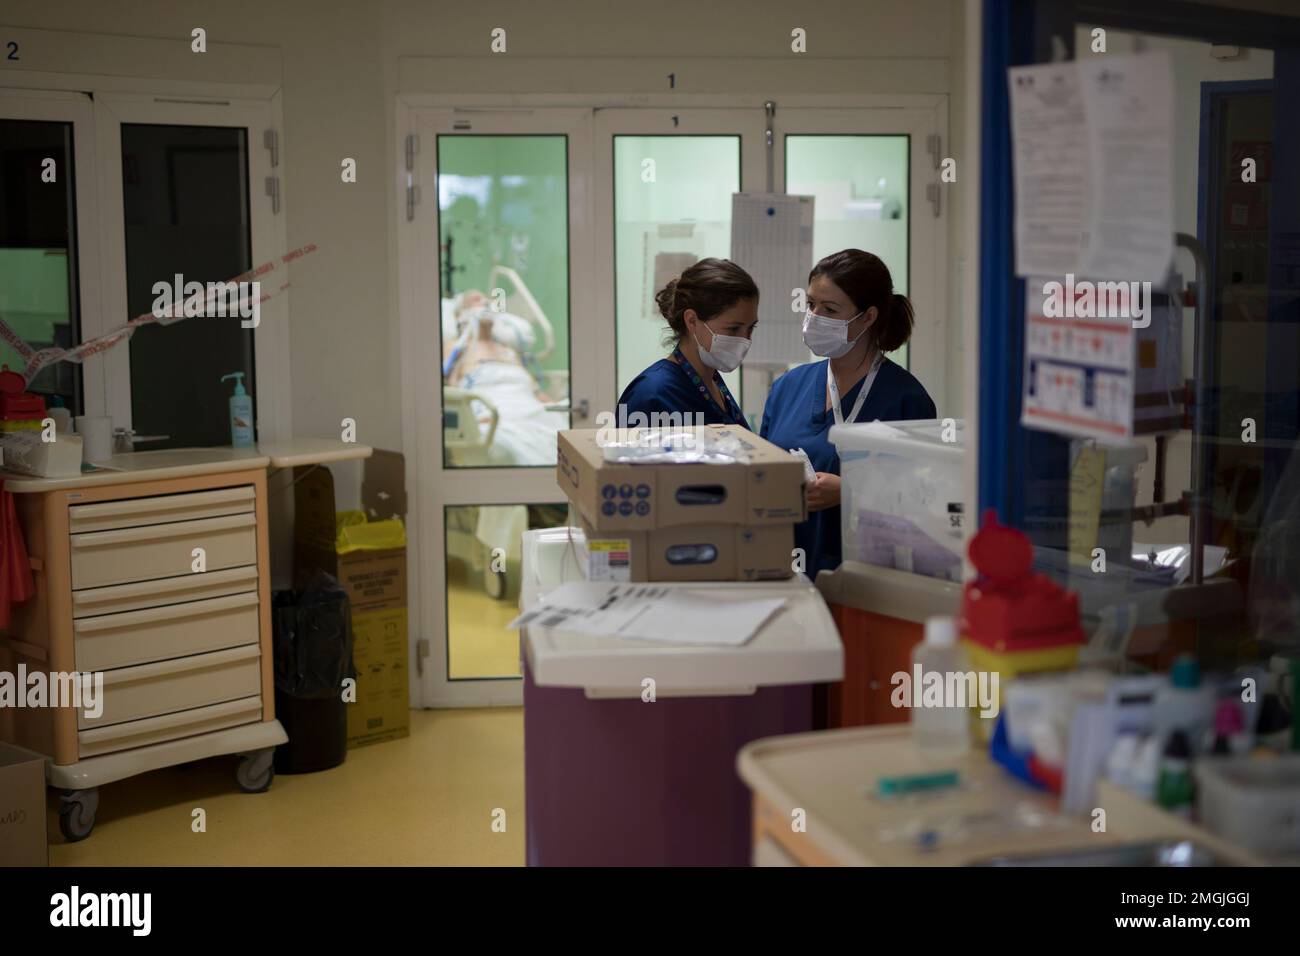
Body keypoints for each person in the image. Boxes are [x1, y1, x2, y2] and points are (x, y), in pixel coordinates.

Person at [761, 249, 936, 578]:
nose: (814, 317)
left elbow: (924, 504)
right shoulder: (788, 387)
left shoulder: (905, 399)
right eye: (811, 304)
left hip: (866, 582)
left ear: (868, 317)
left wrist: (850, 491)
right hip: (785, 572)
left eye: (829, 309)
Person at [618, 258, 758, 427]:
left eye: (750, 329)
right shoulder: (652, 395)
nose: (745, 340)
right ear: (692, 321)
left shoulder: (712, 383)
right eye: (733, 329)